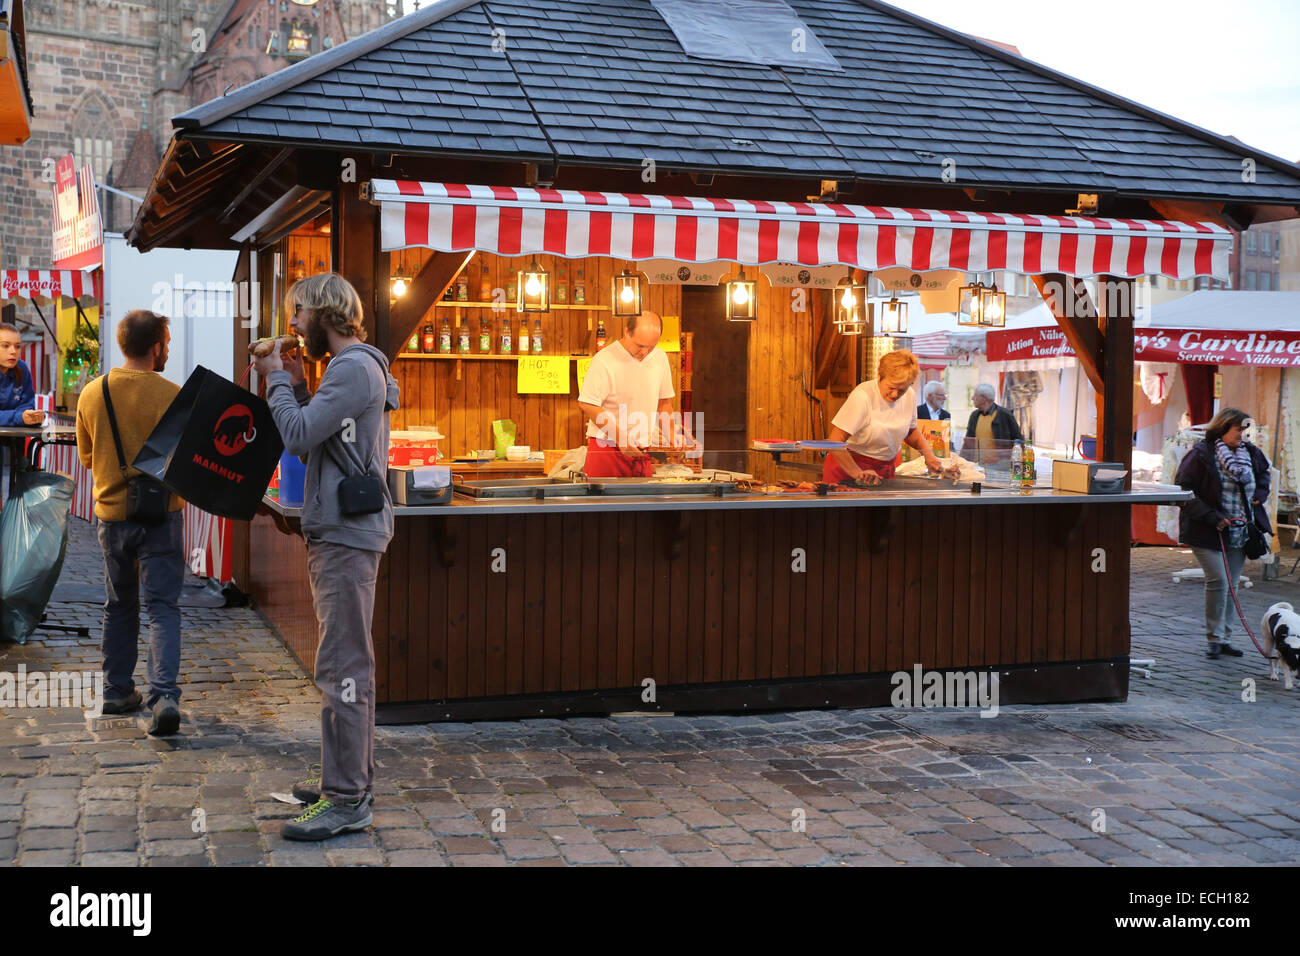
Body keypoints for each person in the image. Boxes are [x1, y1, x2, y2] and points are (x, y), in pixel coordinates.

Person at [253, 272, 400, 841]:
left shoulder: (352, 367)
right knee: (342, 663)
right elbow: (324, 432)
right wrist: (292, 380)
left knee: (343, 667)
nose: (291, 326)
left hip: (346, 536)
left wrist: (275, 383)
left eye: (297, 314)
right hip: (342, 533)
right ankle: (347, 777)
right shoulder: (353, 368)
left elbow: (295, 434)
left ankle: (346, 800)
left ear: (323, 314)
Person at [74, 310, 186, 735]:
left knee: (118, 604)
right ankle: (164, 698)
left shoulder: (91, 394)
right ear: (156, 346)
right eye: (166, 342)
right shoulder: (175, 395)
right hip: (163, 516)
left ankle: (117, 690)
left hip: (113, 517)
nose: (167, 349)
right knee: (163, 606)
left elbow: (87, 458)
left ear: (122, 344)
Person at [1174, 407, 1272, 660]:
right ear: (1223, 427)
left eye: (1244, 430)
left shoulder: (1252, 453)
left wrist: (1259, 497)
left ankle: (1225, 638)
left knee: (1232, 584)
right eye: (1238, 429)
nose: (1242, 434)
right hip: (1207, 529)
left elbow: (1264, 475)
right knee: (1218, 580)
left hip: (1241, 530)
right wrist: (1212, 516)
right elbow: (1183, 491)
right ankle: (1214, 638)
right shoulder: (1200, 455)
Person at [823, 349, 951, 484]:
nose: (895, 394)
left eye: (901, 390)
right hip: (848, 469)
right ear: (880, 376)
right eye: (891, 387)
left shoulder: (910, 395)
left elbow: (911, 431)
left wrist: (929, 455)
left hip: (884, 470)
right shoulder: (863, 395)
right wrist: (857, 472)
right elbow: (835, 440)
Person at [576, 310, 676, 478]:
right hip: (606, 449)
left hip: (642, 452)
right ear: (626, 332)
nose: (644, 352)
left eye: (651, 346)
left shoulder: (660, 357)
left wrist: (672, 433)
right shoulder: (604, 359)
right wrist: (620, 437)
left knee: (641, 503)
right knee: (603, 503)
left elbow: (663, 403)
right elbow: (587, 404)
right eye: (640, 345)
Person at [1, 321, 45, 502]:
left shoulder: (22, 369)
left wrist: (31, 416)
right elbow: (19, 413)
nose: (13, 351)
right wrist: (19, 417)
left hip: (15, 441)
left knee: (24, 471)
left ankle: (17, 516)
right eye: (5, 346)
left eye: (17, 346)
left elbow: (27, 404)